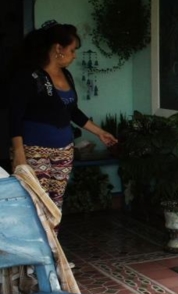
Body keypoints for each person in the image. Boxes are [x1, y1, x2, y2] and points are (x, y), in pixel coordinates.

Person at [7, 20, 117, 210]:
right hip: (34, 151)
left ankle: (53, 240)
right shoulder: (29, 76)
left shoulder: (66, 75)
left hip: (63, 150)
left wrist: (99, 132)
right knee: (36, 204)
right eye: (72, 50)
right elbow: (14, 115)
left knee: (55, 204)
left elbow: (72, 110)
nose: (74, 56)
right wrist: (19, 153)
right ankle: (41, 241)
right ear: (59, 48)